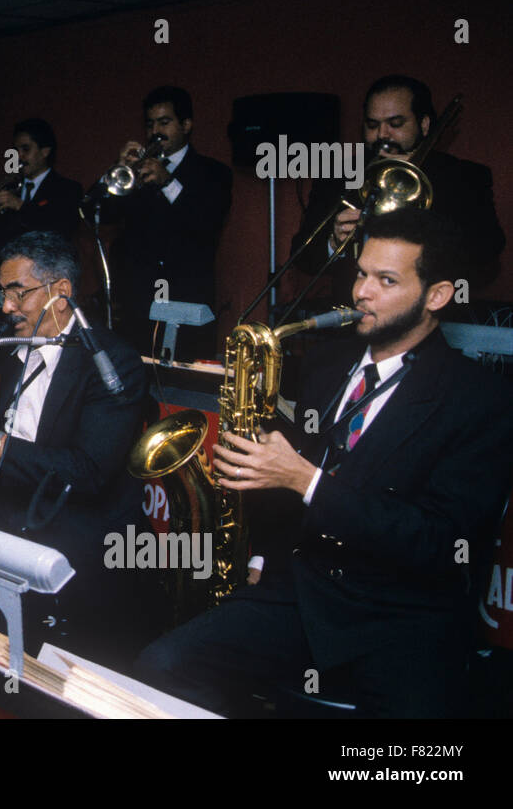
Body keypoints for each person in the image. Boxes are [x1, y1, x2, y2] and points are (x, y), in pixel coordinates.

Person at [136, 208, 513, 717]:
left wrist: (306, 480)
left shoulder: (480, 398)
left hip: (400, 618)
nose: (361, 293)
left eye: (386, 280)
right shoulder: (326, 365)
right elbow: (288, 481)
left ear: (438, 295)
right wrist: (259, 558)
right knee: (162, 665)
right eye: (361, 273)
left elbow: (440, 542)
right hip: (302, 591)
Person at [0, 232, 163, 666]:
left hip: (84, 539)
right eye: (2, 293)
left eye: (18, 292)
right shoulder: (19, 348)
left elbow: (88, 473)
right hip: (21, 517)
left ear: (60, 293)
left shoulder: (112, 361)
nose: (6, 307)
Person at [291, 74, 504, 301]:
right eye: (372, 125)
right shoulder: (338, 174)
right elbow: (303, 258)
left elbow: (487, 251)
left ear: (424, 125)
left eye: (396, 124)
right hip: (354, 319)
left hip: (435, 318)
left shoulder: (463, 176)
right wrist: (333, 242)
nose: (382, 135)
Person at [96, 87, 232, 360]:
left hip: (186, 299)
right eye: (150, 124)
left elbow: (208, 222)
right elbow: (100, 214)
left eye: (164, 122)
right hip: (137, 302)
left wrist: (168, 182)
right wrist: (118, 168)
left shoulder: (214, 172)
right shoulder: (137, 171)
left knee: (182, 386)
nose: (155, 131)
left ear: (186, 125)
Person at [0, 118, 81, 252]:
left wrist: (20, 205)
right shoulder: (9, 189)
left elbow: (59, 229)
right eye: (16, 150)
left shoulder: (68, 188)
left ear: (45, 151)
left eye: (26, 149)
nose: (19, 156)